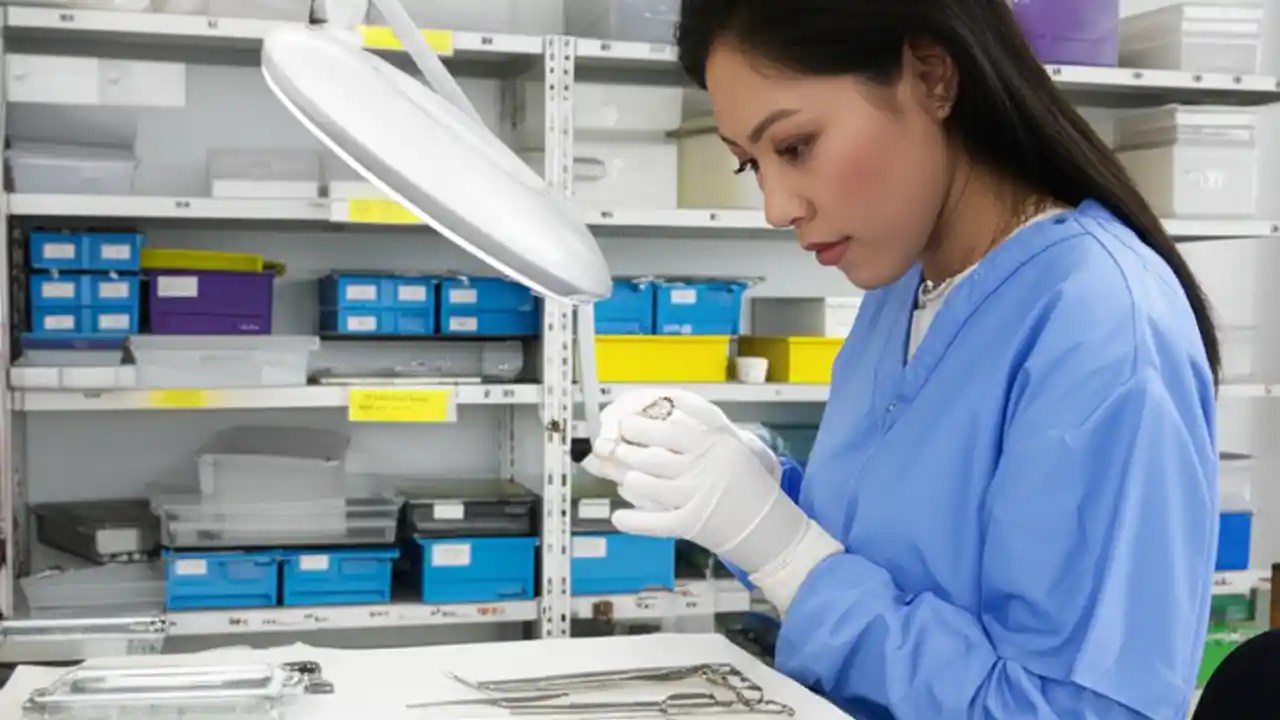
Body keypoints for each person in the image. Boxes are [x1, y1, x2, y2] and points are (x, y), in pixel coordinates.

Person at [582, 1, 1219, 718]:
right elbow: (886, 562)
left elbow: (1076, 709)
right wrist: (748, 488)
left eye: (793, 146)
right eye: (749, 163)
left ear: (931, 76)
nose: (775, 206)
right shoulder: (902, 286)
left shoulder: (1099, 323)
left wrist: (786, 554)